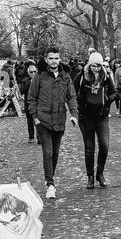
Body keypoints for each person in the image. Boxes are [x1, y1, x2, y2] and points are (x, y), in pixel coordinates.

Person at [26, 46, 78, 200]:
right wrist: (35, 117)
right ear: (46, 59)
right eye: (51, 58)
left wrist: (74, 114)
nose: (54, 61)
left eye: (56, 58)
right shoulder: (39, 77)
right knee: (47, 152)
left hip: (59, 120)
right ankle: (50, 184)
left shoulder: (66, 77)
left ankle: (49, 178)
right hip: (43, 120)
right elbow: (31, 98)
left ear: (60, 59)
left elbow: (72, 97)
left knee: (55, 153)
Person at [76, 51, 115, 189]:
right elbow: (73, 93)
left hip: (101, 116)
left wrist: (107, 101)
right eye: (93, 65)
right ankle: (90, 176)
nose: (96, 68)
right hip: (86, 117)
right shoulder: (82, 76)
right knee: (89, 148)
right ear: (89, 64)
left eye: (98, 66)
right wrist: (82, 104)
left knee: (104, 145)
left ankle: (100, 172)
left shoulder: (105, 76)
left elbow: (114, 92)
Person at [18, 62, 38, 143]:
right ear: (28, 73)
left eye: (34, 72)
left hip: (38, 104)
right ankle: (31, 137)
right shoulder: (25, 81)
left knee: (39, 121)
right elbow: (22, 90)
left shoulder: (40, 80)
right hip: (28, 104)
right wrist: (31, 82)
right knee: (30, 121)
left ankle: (39, 137)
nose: (33, 73)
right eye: (31, 72)